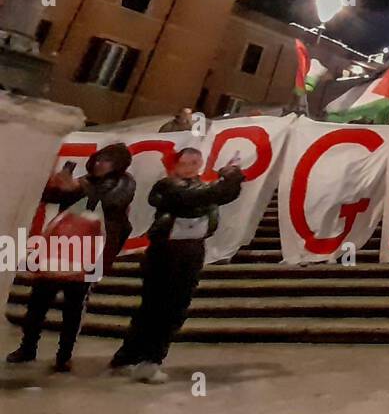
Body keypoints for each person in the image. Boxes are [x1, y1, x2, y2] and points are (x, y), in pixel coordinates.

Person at [110, 147, 245, 383]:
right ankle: (134, 357)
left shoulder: (204, 188)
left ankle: (147, 359)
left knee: (176, 306)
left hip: (192, 250)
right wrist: (229, 177)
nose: (192, 166)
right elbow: (197, 197)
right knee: (155, 306)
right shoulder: (167, 186)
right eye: (187, 162)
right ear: (176, 165)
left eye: (196, 161)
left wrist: (232, 177)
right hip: (166, 250)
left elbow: (223, 194)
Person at [8, 143, 137, 371]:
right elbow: (51, 195)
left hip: (89, 256)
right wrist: (52, 182)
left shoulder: (123, 183)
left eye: (105, 160)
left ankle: (64, 355)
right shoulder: (83, 181)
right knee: (37, 303)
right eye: (97, 159)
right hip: (59, 250)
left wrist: (78, 185)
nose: (99, 164)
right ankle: (27, 348)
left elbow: (111, 200)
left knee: (73, 308)